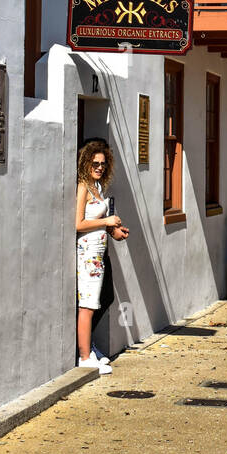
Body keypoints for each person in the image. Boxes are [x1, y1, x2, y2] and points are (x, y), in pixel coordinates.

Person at [75, 141, 127, 375]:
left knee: (100, 300)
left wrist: (113, 231)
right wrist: (106, 221)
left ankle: (88, 348)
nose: (99, 167)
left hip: (99, 253)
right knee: (87, 304)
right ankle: (84, 357)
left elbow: (97, 223)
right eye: (95, 163)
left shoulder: (97, 186)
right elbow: (78, 224)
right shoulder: (83, 187)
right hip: (87, 255)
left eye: (103, 164)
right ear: (86, 163)